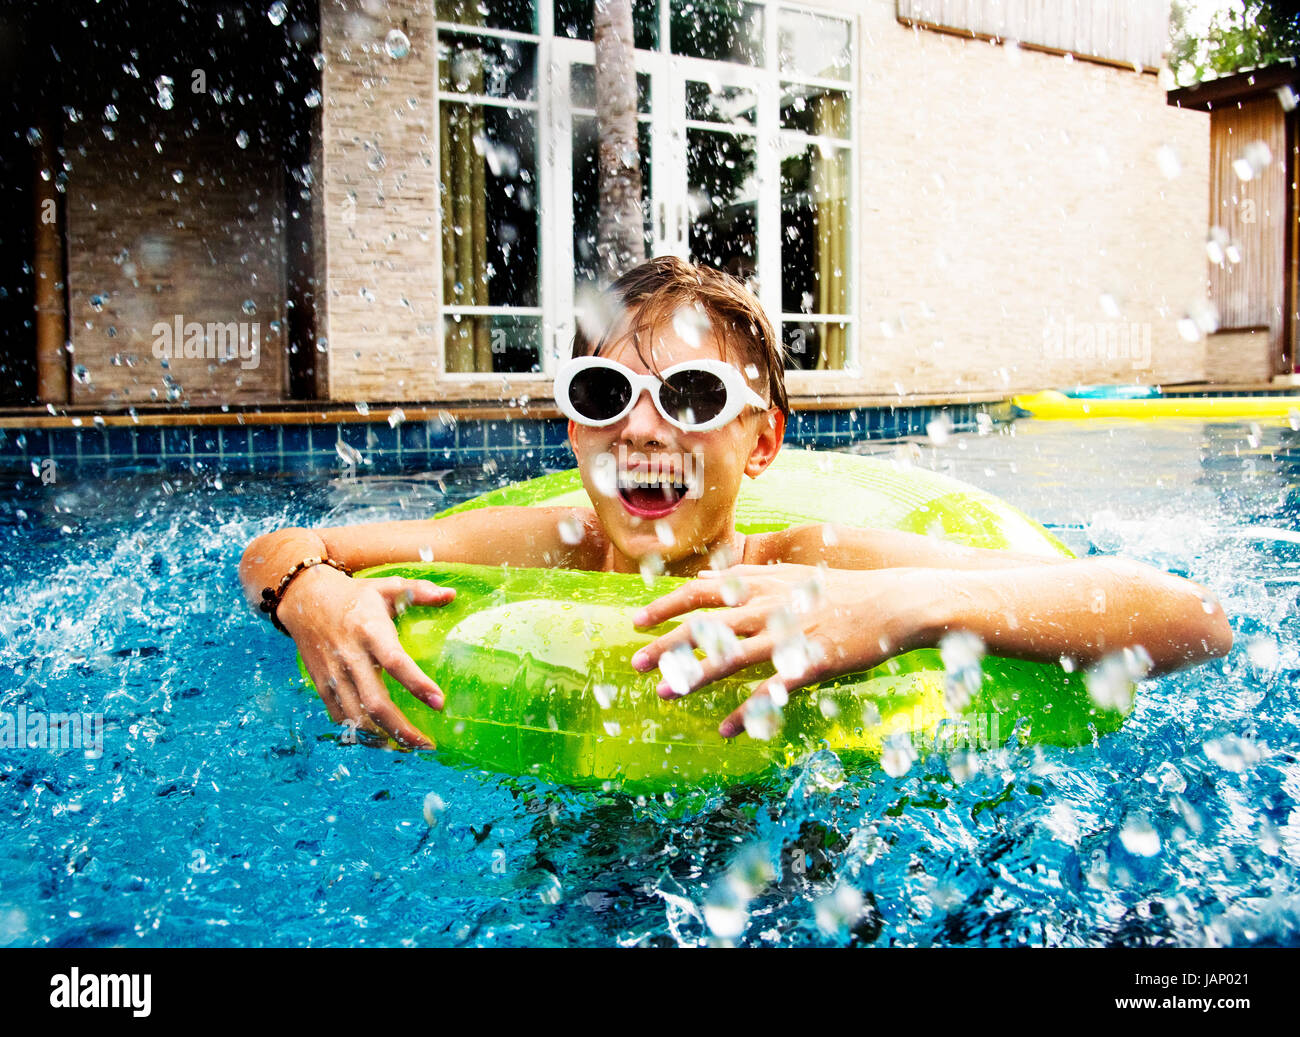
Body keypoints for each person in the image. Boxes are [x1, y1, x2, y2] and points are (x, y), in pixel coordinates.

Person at [239, 257, 1233, 747]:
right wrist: (309, 591)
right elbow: (284, 542)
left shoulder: (808, 560)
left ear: (761, 440)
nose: (641, 428)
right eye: (603, 395)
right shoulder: (561, 541)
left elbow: (1192, 616)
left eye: (693, 395)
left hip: (789, 834)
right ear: (573, 431)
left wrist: (902, 605)